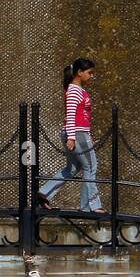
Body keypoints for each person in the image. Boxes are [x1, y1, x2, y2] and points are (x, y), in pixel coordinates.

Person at [37, 58, 102, 214]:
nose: (91, 76)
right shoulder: (74, 91)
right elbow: (71, 115)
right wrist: (72, 137)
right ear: (79, 72)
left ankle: (44, 193)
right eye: (89, 73)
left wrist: (84, 135)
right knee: (90, 167)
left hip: (79, 133)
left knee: (72, 168)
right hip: (77, 133)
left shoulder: (77, 90)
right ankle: (90, 206)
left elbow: (81, 115)